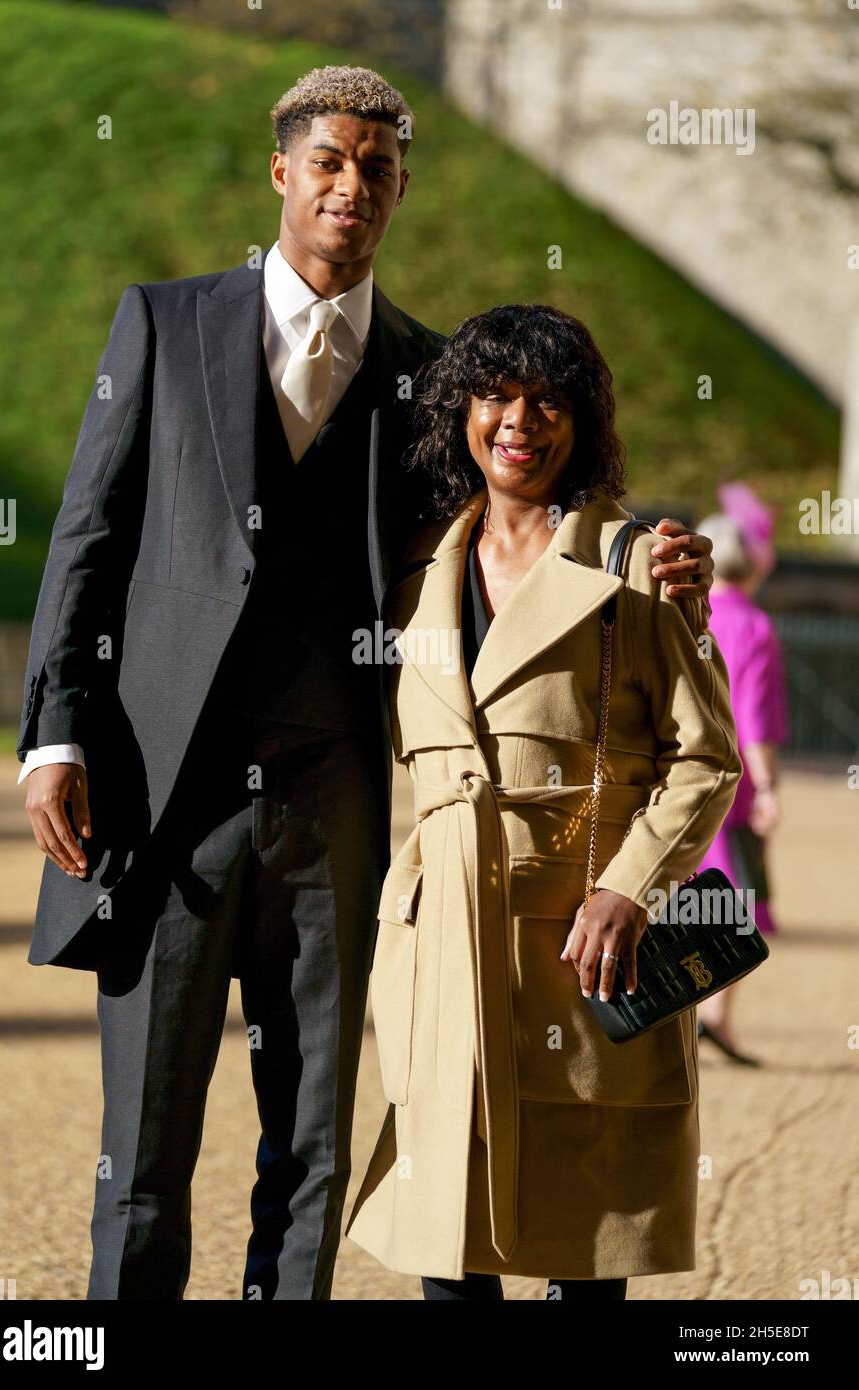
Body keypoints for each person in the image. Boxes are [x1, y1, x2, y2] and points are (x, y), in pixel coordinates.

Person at [16, 67, 717, 1301]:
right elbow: (89, 538)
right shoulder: (163, 324)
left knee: (320, 1152)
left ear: (399, 189)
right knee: (145, 1152)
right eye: (330, 161)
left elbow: (525, 510)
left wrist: (643, 547)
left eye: (378, 168)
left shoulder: (432, 373)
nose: (353, 186)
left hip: (334, 802)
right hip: (165, 794)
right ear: (283, 171)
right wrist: (54, 736)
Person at [345, 303, 743, 1298]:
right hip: (444, 949)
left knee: (585, 1248)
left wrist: (630, 890)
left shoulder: (641, 563)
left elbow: (707, 758)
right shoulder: (414, 569)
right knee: (448, 1244)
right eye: (494, 394)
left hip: (579, 946)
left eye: (547, 398)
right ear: (461, 411)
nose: (519, 420)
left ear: (581, 420)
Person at [690, 499, 788, 1066]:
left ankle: (713, 1021)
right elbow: (753, 716)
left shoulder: (686, 612)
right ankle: (708, 1016)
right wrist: (770, 788)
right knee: (736, 907)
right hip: (734, 788)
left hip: (679, 776)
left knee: (685, 903)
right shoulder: (754, 625)